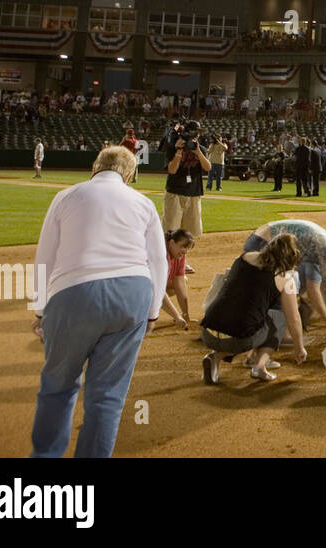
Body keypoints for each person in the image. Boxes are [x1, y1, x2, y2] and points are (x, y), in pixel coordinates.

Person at [30, 146, 167, 458]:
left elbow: (45, 257)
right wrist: (152, 313)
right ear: (129, 174)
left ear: (94, 167)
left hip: (75, 292)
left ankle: (45, 457)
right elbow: (158, 260)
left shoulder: (67, 196)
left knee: (58, 385)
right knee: (107, 396)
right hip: (133, 292)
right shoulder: (143, 202)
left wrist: (40, 309)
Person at [200, 234, 307, 384]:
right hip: (236, 340)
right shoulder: (285, 278)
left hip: (208, 332)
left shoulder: (244, 256)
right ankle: (259, 367)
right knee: (278, 318)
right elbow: (294, 319)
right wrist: (299, 348)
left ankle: (214, 358)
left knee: (244, 314)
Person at [244, 220, 326, 327]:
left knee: (290, 284)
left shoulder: (318, 250)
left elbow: (313, 288)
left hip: (259, 238)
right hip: (262, 242)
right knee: (274, 285)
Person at [163, 122, 210, 239]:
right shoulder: (173, 146)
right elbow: (172, 170)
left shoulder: (201, 149)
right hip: (175, 192)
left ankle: (182, 257)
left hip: (193, 193)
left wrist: (198, 152)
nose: (196, 137)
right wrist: (178, 151)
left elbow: (208, 167)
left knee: (190, 234)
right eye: (195, 133)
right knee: (171, 231)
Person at [159, 230, 196, 328]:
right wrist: (177, 316)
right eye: (183, 246)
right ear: (171, 242)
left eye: (187, 248)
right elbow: (158, 289)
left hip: (155, 285)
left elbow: (179, 283)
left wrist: (185, 315)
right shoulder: (160, 254)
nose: (185, 251)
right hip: (135, 287)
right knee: (152, 292)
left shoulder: (180, 255)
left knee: (183, 280)